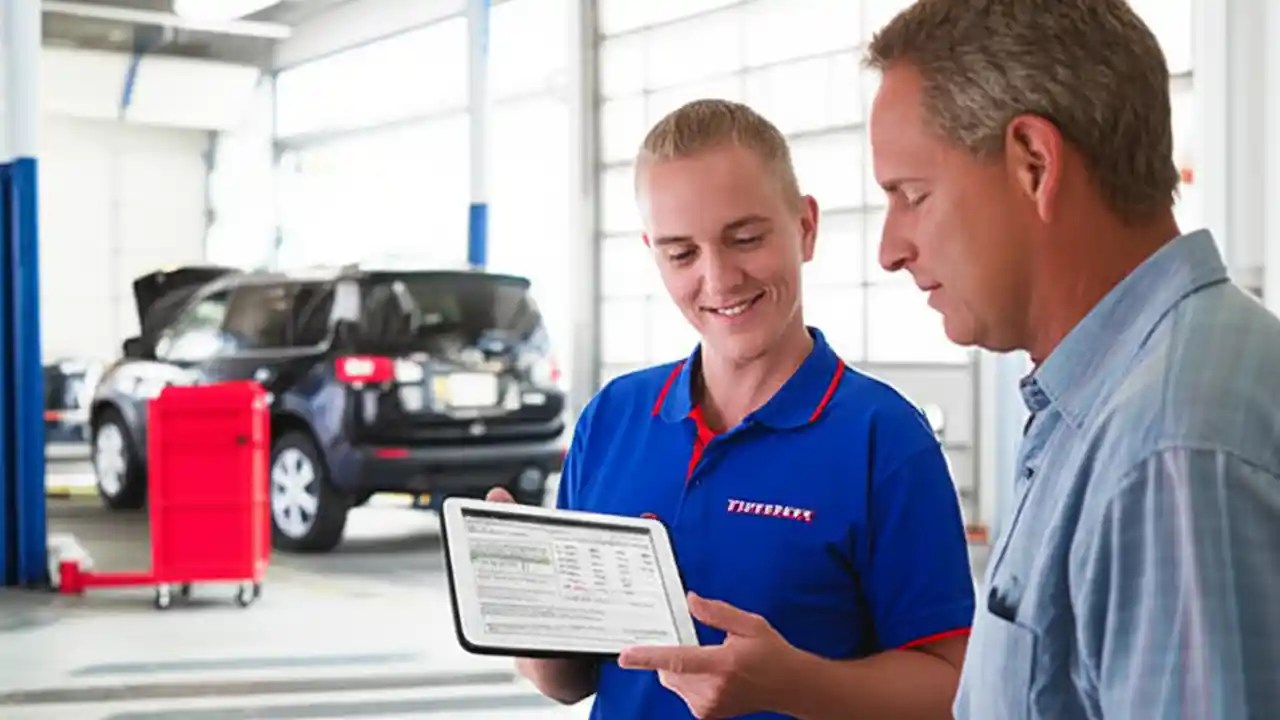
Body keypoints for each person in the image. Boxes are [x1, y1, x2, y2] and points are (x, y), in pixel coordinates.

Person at [487, 99, 976, 719]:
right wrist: (524, 598)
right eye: (681, 254)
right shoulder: (612, 420)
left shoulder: (883, 440)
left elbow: (953, 690)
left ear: (805, 227)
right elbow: (569, 681)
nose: (718, 280)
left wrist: (796, 686)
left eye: (744, 239)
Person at [865, 1, 1280, 718]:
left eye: (912, 195)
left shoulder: (1168, 452)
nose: (890, 248)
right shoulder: (1116, 400)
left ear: (1034, 163)